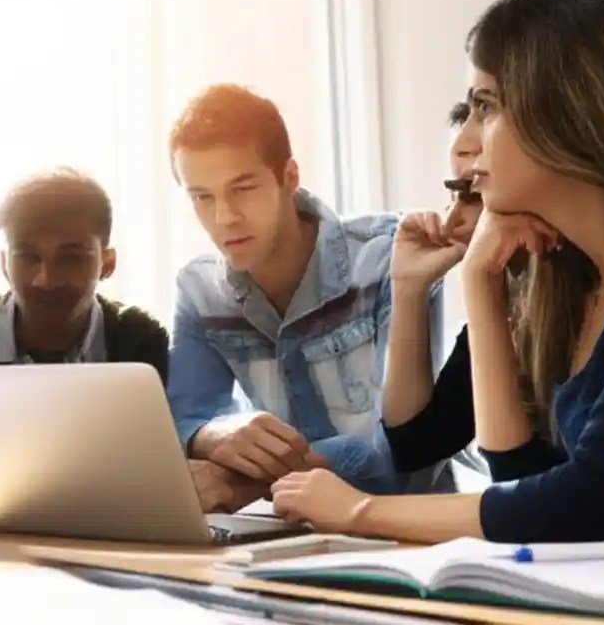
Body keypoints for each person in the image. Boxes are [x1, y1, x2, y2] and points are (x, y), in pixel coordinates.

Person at [271, 0, 604, 545]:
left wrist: (361, 512)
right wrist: (478, 282)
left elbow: (598, 500)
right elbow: (526, 487)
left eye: (486, 107)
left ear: (572, 106)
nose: (465, 141)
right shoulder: (566, 271)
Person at [167, 84, 450, 513]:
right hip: (287, 534)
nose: (224, 217)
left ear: (290, 177)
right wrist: (212, 435)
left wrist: (253, 480)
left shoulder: (392, 258)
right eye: (202, 197)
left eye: (243, 188)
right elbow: (185, 423)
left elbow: (405, 457)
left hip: (408, 530)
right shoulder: (200, 292)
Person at [0, 168, 168, 506]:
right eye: (27, 257)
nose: (46, 279)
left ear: (108, 262)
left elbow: (150, 461)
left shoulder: (138, 339)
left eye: (71, 258)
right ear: (4, 262)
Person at [380, 100, 566, 480]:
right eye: (453, 195)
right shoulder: (515, 305)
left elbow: (523, 481)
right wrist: (409, 288)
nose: (451, 221)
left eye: (472, 191)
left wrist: (478, 280)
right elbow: (415, 446)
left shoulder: (594, 301)